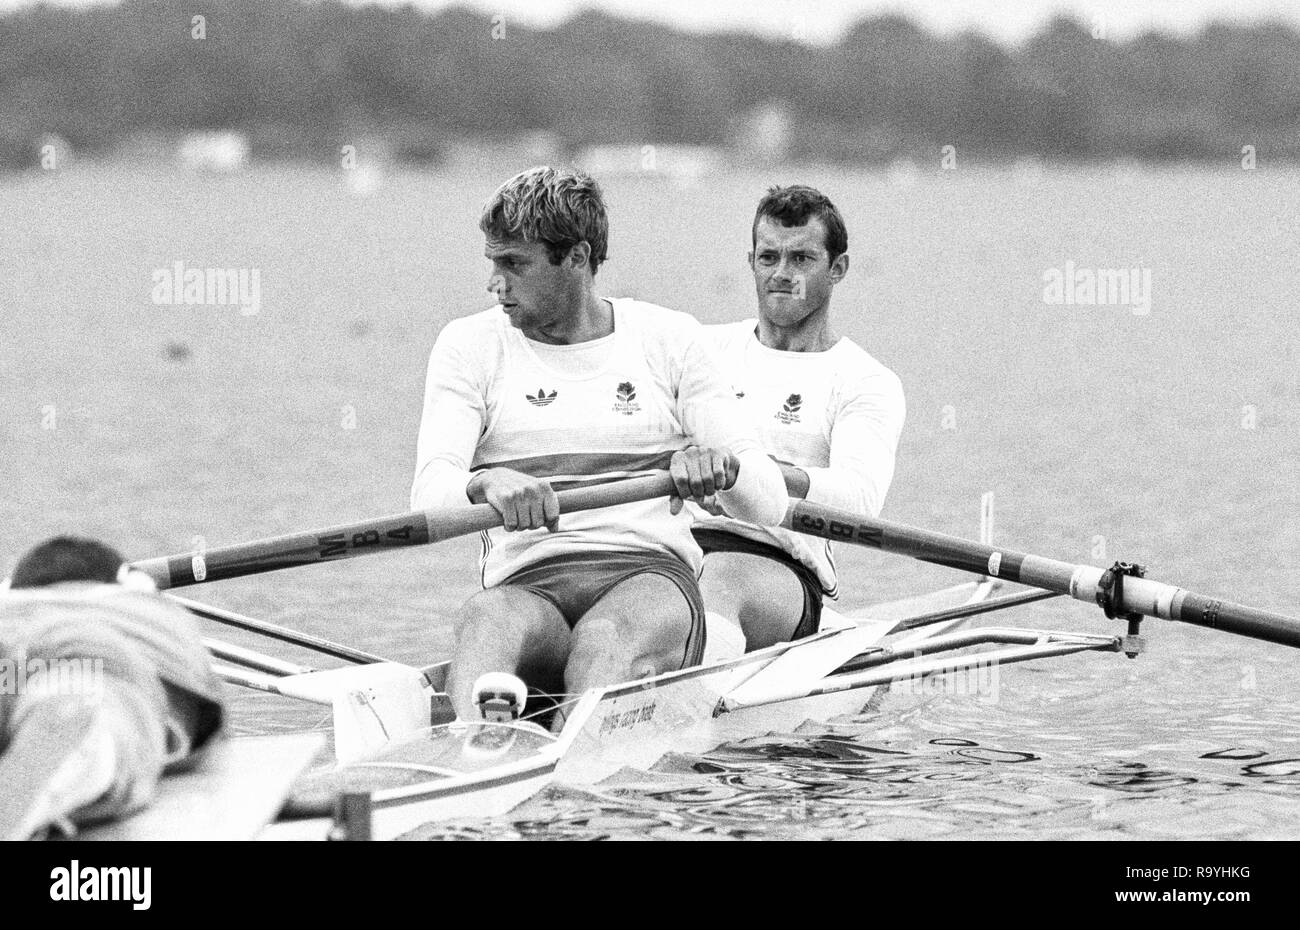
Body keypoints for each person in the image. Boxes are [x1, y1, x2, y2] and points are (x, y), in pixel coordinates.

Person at [411, 166, 787, 724]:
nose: (495, 283)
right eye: (492, 261)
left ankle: (566, 766)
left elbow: (770, 502)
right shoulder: (469, 346)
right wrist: (482, 482)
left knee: (603, 639)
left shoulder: (669, 341)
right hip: (530, 587)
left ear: (577, 258)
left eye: (514, 263)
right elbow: (428, 497)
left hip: (649, 581)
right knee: (486, 619)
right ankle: (472, 761)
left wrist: (724, 472)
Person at [691, 185, 906, 650]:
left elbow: (858, 500)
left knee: (719, 583)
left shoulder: (864, 381)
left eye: (802, 260)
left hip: (780, 566)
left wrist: (752, 477)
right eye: (769, 258)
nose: (782, 274)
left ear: (838, 268)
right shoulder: (700, 351)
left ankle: (684, 706)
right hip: (676, 551)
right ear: (751, 262)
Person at [0, 536, 223, 839]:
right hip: (89, 664)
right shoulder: (142, 608)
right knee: (80, 710)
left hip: (9, 653)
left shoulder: (11, 605)